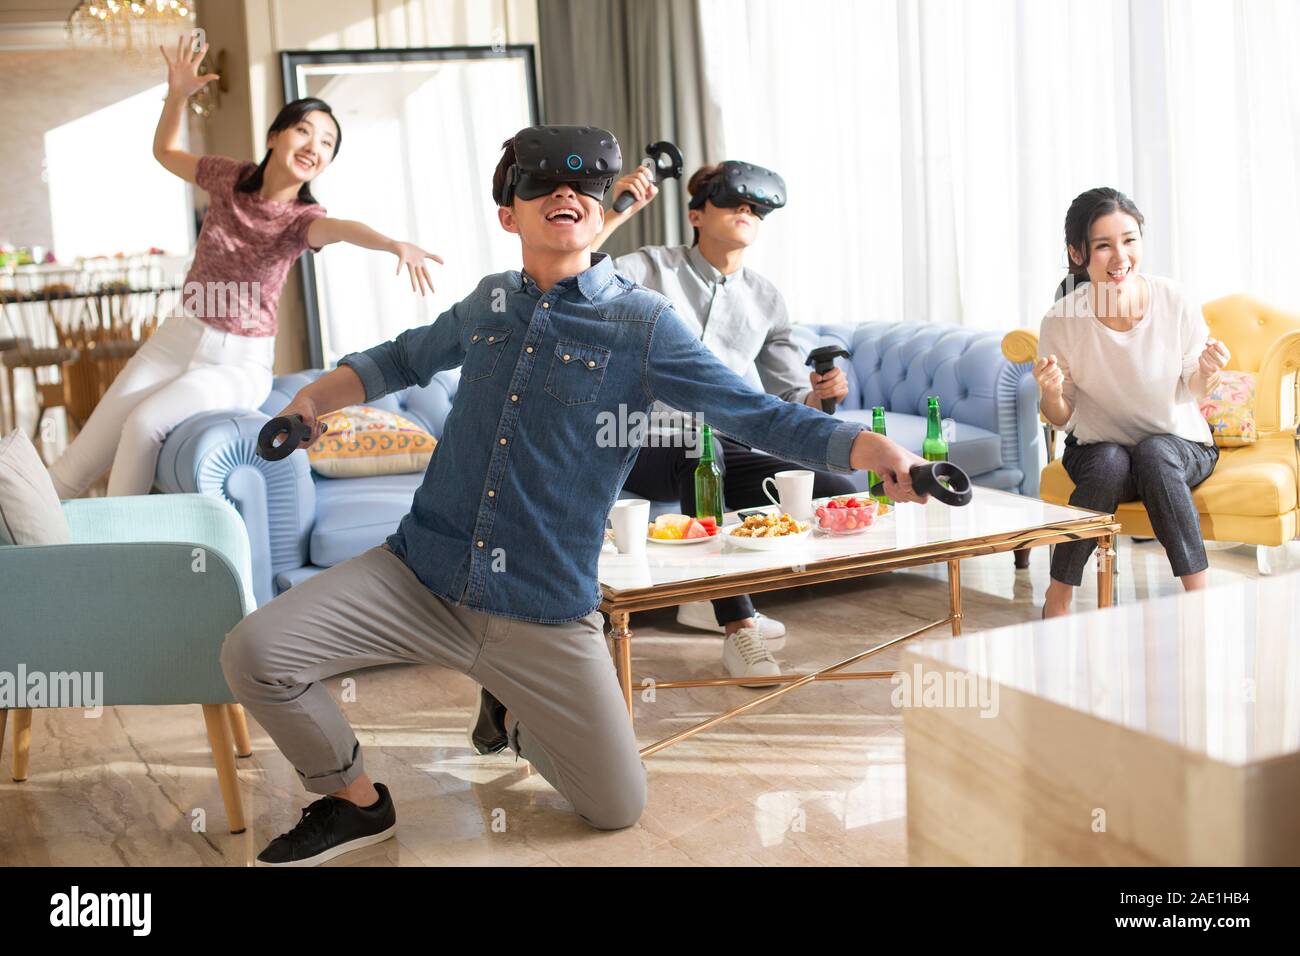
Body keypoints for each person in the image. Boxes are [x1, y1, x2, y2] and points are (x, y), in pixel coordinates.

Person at [220, 125, 930, 866]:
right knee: (255, 652)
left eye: (585, 186)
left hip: (541, 605)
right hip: (421, 576)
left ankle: (515, 709)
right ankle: (355, 802)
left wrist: (868, 447)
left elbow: (752, 412)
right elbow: (398, 358)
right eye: (542, 185)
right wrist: (310, 402)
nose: (566, 194)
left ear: (602, 211)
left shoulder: (643, 323)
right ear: (510, 215)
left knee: (615, 809)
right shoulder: (490, 303)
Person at [46, 37, 441, 500]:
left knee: (144, 424)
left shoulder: (302, 220)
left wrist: (391, 243)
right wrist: (177, 95)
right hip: (175, 339)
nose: (315, 145)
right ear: (275, 136)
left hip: (238, 361)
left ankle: (120, 554)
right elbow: (166, 152)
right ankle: (30, 550)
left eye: (327, 142)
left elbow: (340, 229)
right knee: (77, 461)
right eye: (304, 131)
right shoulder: (229, 178)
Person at [592, 160, 857, 683]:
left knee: (831, 488)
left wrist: (820, 394)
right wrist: (615, 211)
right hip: (636, 439)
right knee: (700, 448)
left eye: (756, 209)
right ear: (695, 214)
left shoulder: (767, 298)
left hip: (722, 440)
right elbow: (579, 271)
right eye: (733, 203)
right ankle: (739, 628)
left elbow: (785, 394)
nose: (746, 212)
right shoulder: (650, 268)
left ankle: (706, 594)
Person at [1035, 186, 1228, 618]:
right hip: (1099, 454)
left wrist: (1209, 371)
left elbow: (1193, 390)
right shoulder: (1061, 321)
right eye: (1103, 245)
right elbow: (1062, 417)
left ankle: (1201, 601)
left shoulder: (1173, 300)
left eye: (1129, 240)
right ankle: (1059, 595)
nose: (1120, 256)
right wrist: (1049, 393)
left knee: (1154, 452)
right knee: (1108, 461)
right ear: (1078, 253)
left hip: (1180, 448)